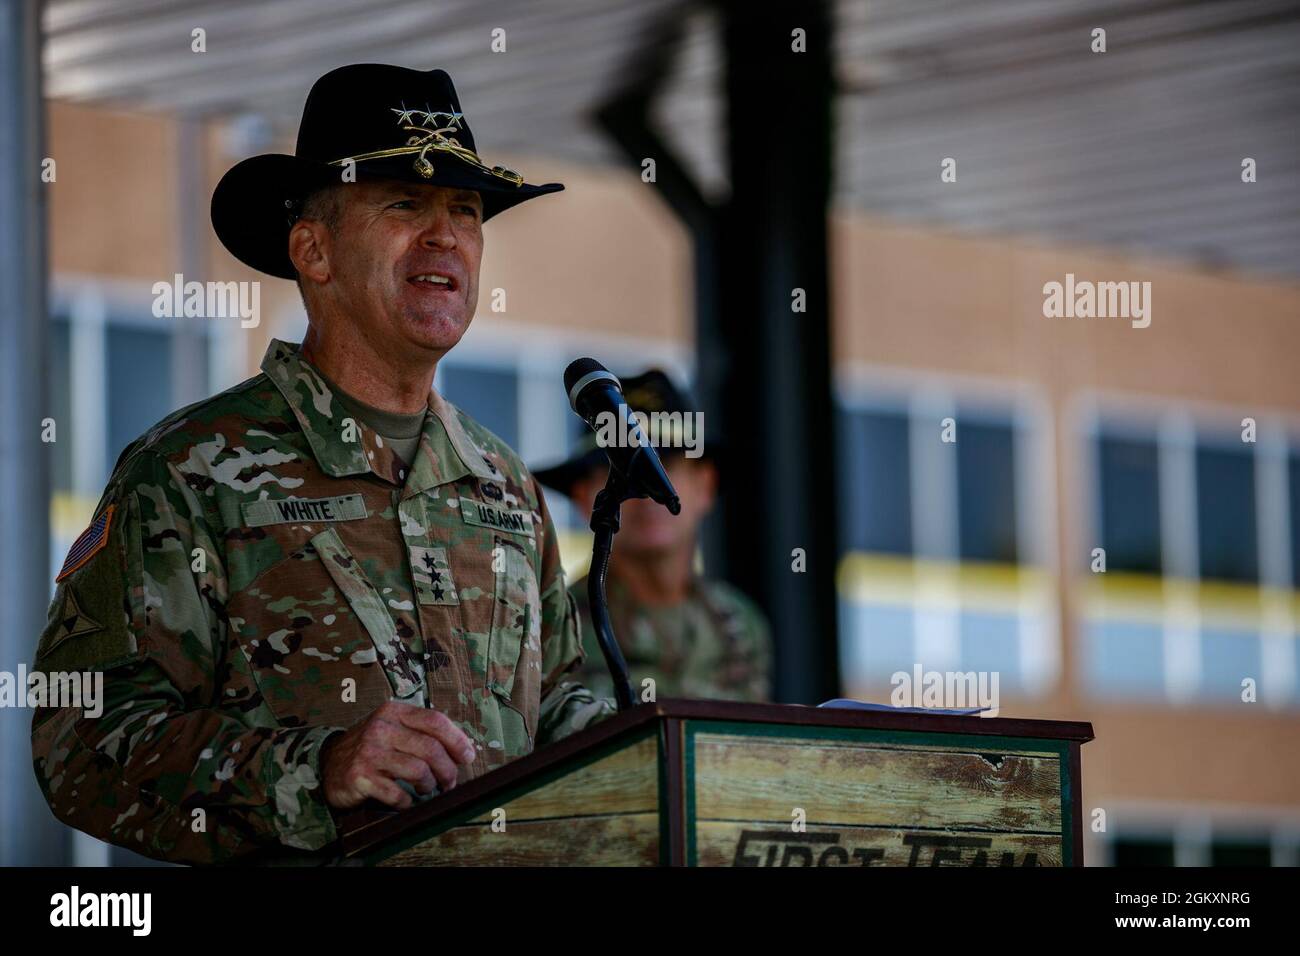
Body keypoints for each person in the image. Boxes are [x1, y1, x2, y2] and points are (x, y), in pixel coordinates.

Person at [29, 64, 613, 865]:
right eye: (405, 203)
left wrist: (682, 753)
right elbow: (82, 736)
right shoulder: (191, 469)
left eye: (466, 211)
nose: (445, 236)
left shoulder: (503, 484)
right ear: (314, 249)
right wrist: (316, 772)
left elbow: (554, 712)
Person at [534, 370, 772, 703]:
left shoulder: (741, 627)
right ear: (584, 495)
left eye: (665, 464)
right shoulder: (552, 625)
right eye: (620, 469)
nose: (644, 491)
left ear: (705, 485)